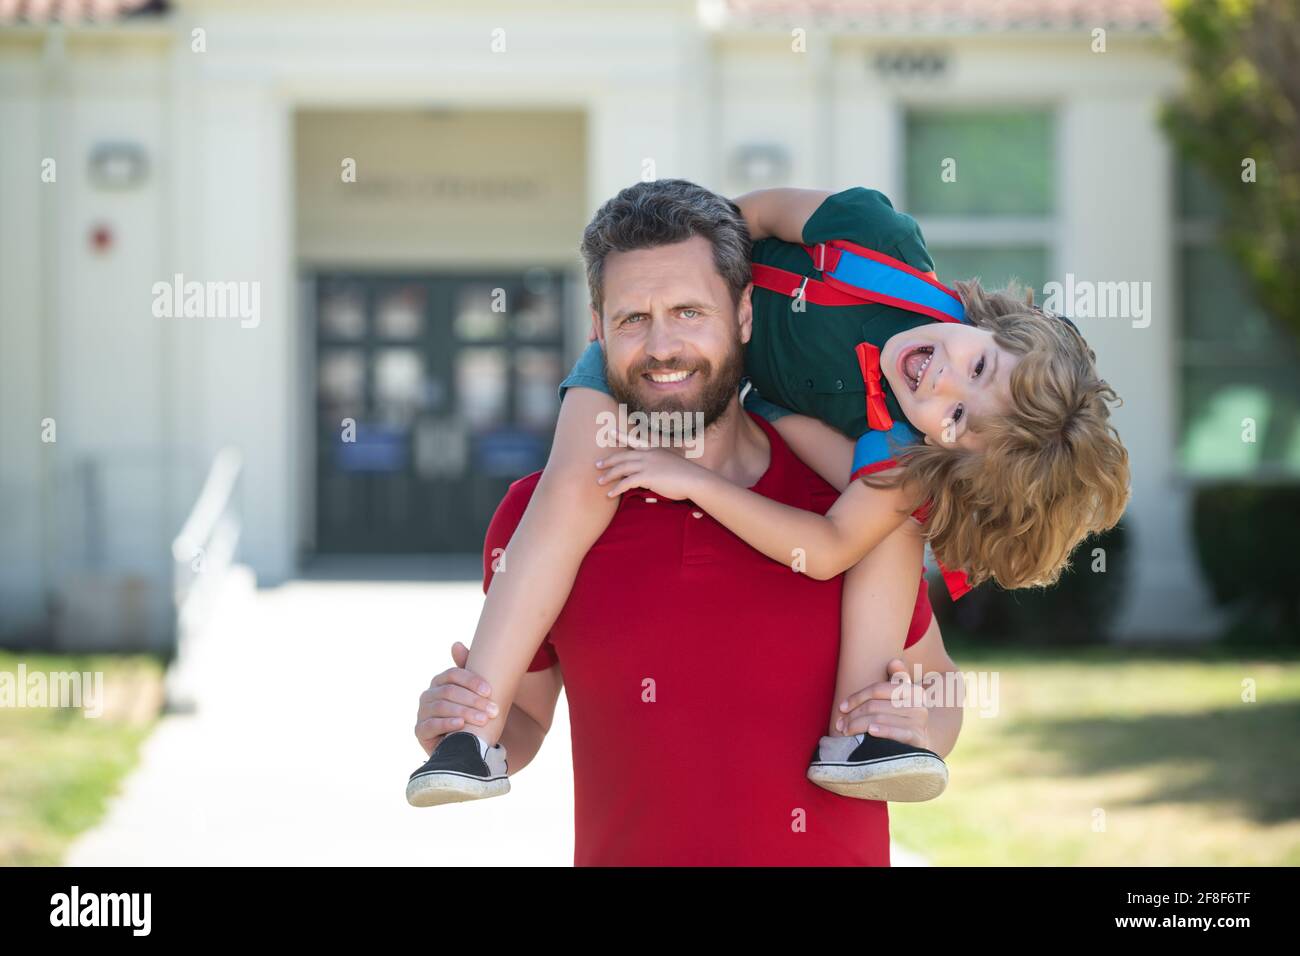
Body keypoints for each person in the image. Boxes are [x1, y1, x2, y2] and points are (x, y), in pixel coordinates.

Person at [407, 179, 1128, 810]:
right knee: (580, 476)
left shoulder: (890, 462)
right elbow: (750, 215)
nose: (940, 382)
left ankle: (864, 732)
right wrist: (479, 717)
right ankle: (471, 727)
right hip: (735, 305)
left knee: (894, 515)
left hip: (770, 399)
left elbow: (889, 625)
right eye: (975, 365)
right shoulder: (878, 245)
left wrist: (921, 724)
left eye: (961, 417)